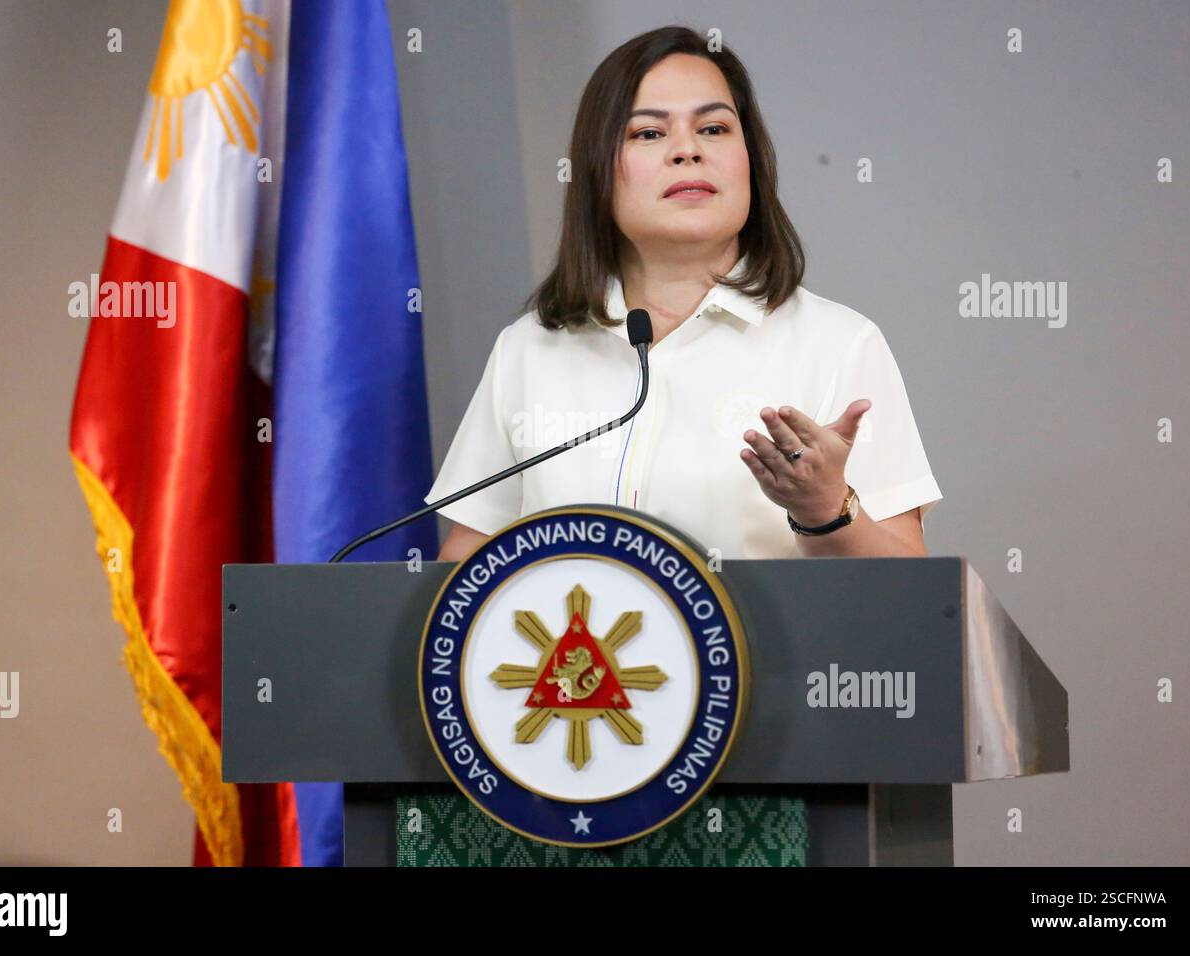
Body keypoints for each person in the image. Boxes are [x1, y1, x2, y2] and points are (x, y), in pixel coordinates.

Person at [403, 25, 943, 867]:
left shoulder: (838, 344)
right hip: (551, 777)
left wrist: (824, 513)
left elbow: (916, 604)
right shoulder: (531, 350)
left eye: (714, 128)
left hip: (774, 775)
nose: (687, 150)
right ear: (598, 171)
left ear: (750, 163)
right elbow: (458, 587)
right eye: (649, 132)